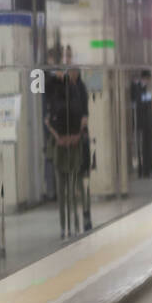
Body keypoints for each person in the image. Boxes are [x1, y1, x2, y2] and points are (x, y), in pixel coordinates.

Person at [45, 64, 88, 238]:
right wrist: (59, 138)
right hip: (60, 147)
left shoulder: (76, 90)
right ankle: (65, 226)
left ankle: (76, 223)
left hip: (72, 145)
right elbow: (48, 120)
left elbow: (82, 116)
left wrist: (76, 135)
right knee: (63, 191)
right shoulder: (53, 90)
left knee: (72, 190)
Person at [64, 65, 92, 232]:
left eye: (74, 71)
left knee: (80, 178)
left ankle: (86, 213)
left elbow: (84, 117)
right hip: (68, 139)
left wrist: (77, 133)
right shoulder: (65, 89)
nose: (73, 74)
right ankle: (73, 217)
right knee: (71, 180)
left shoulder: (81, 89)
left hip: (79, 139)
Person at [130, 70, 152, 178]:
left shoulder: (145, 88)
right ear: (145, 78)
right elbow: (139, 102)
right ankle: (145, 170)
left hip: (148, 121)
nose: (149, 81)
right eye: (148, 79)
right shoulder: (138, 88)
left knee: (148, 146)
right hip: (142, 122)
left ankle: (148, 169)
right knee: (145, 147)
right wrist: (150, 98)